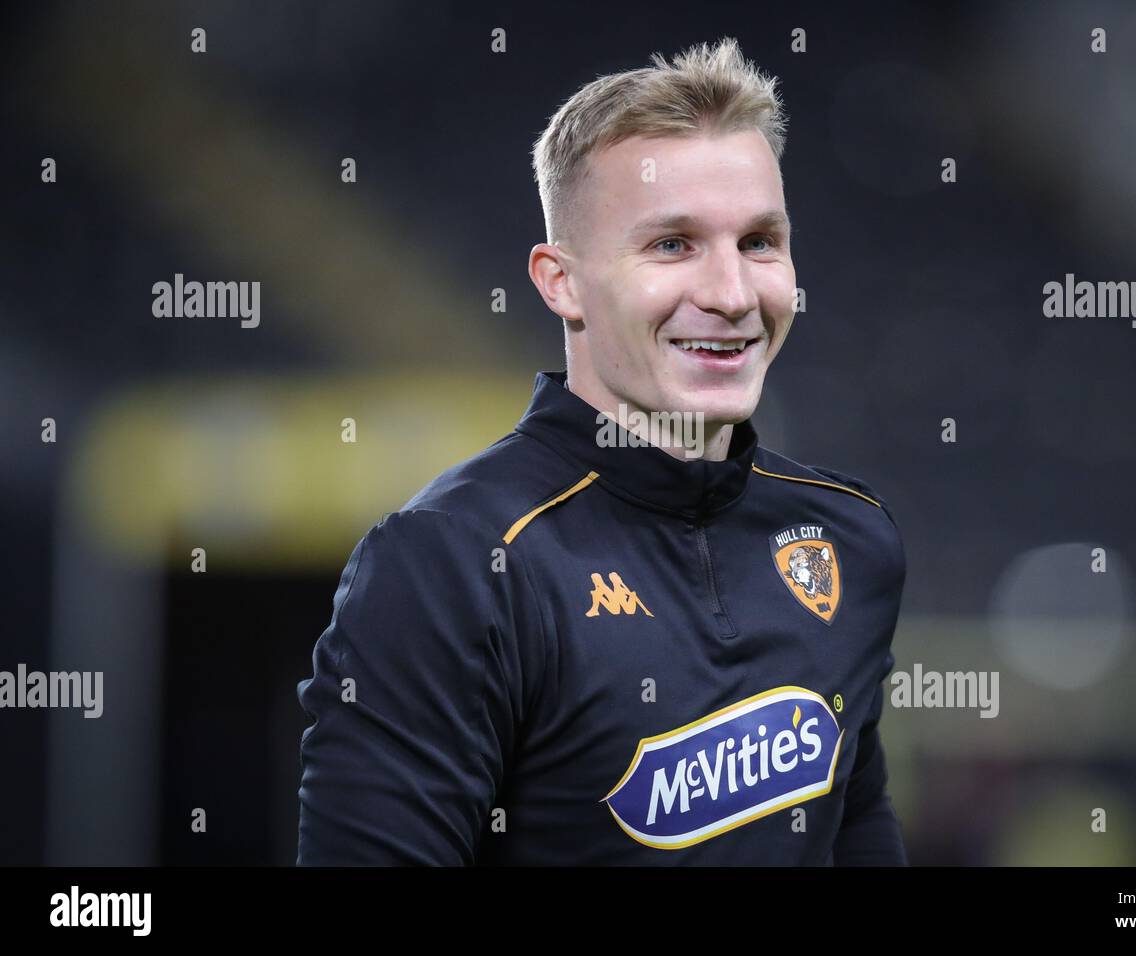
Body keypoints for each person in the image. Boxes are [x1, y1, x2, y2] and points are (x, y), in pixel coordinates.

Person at [296, 36, 907, 865]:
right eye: (672, 245)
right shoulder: (451, 567)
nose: (731, 295)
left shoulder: (852, 538)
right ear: (561, 282)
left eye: (759, 241)